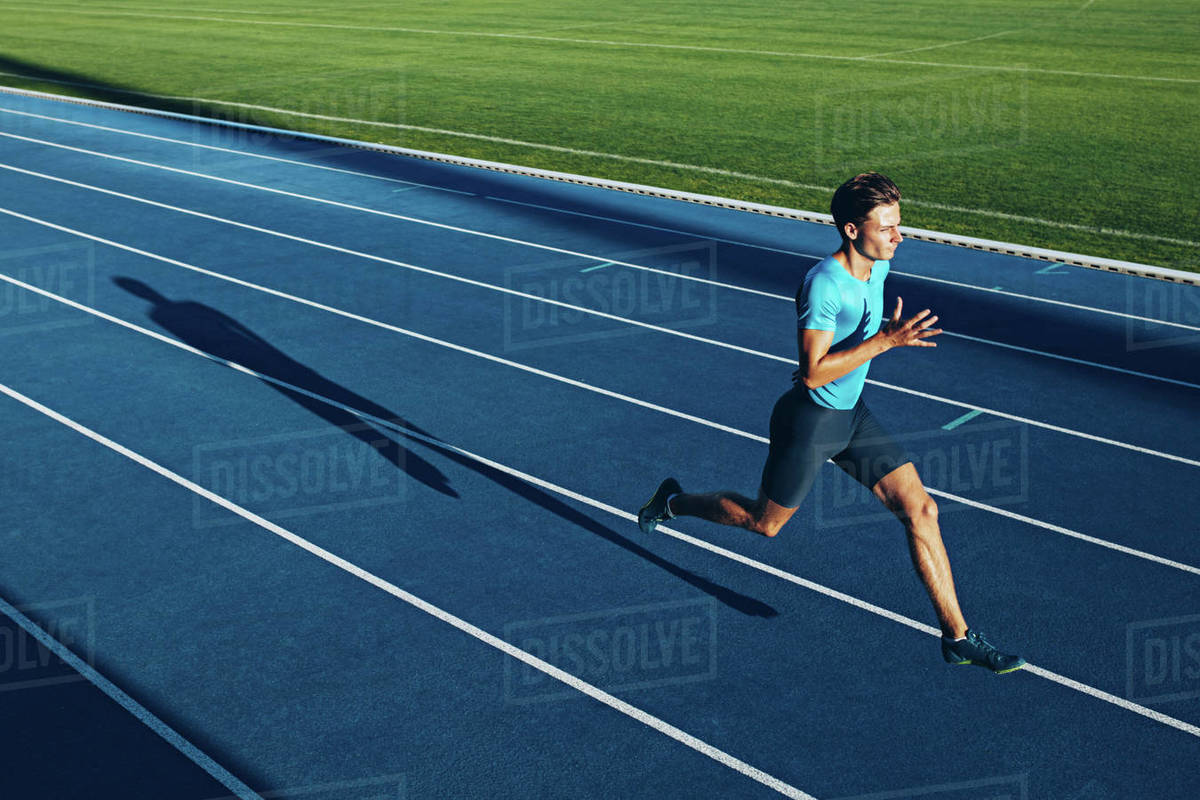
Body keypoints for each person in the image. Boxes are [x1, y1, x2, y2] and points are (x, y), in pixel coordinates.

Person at [637, 173, 1024, 673]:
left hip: (853, 416)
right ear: (850, 230)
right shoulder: (823, 284)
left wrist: (867, 342)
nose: (898, 237)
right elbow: (816, 372)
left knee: (921, 509)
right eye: (886, 228)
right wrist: (885, 342)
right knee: (766, 524)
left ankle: (957, 636)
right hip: (811, 422)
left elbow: (830, 354)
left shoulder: (877, 270)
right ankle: (672, 501)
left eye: (898, 225)